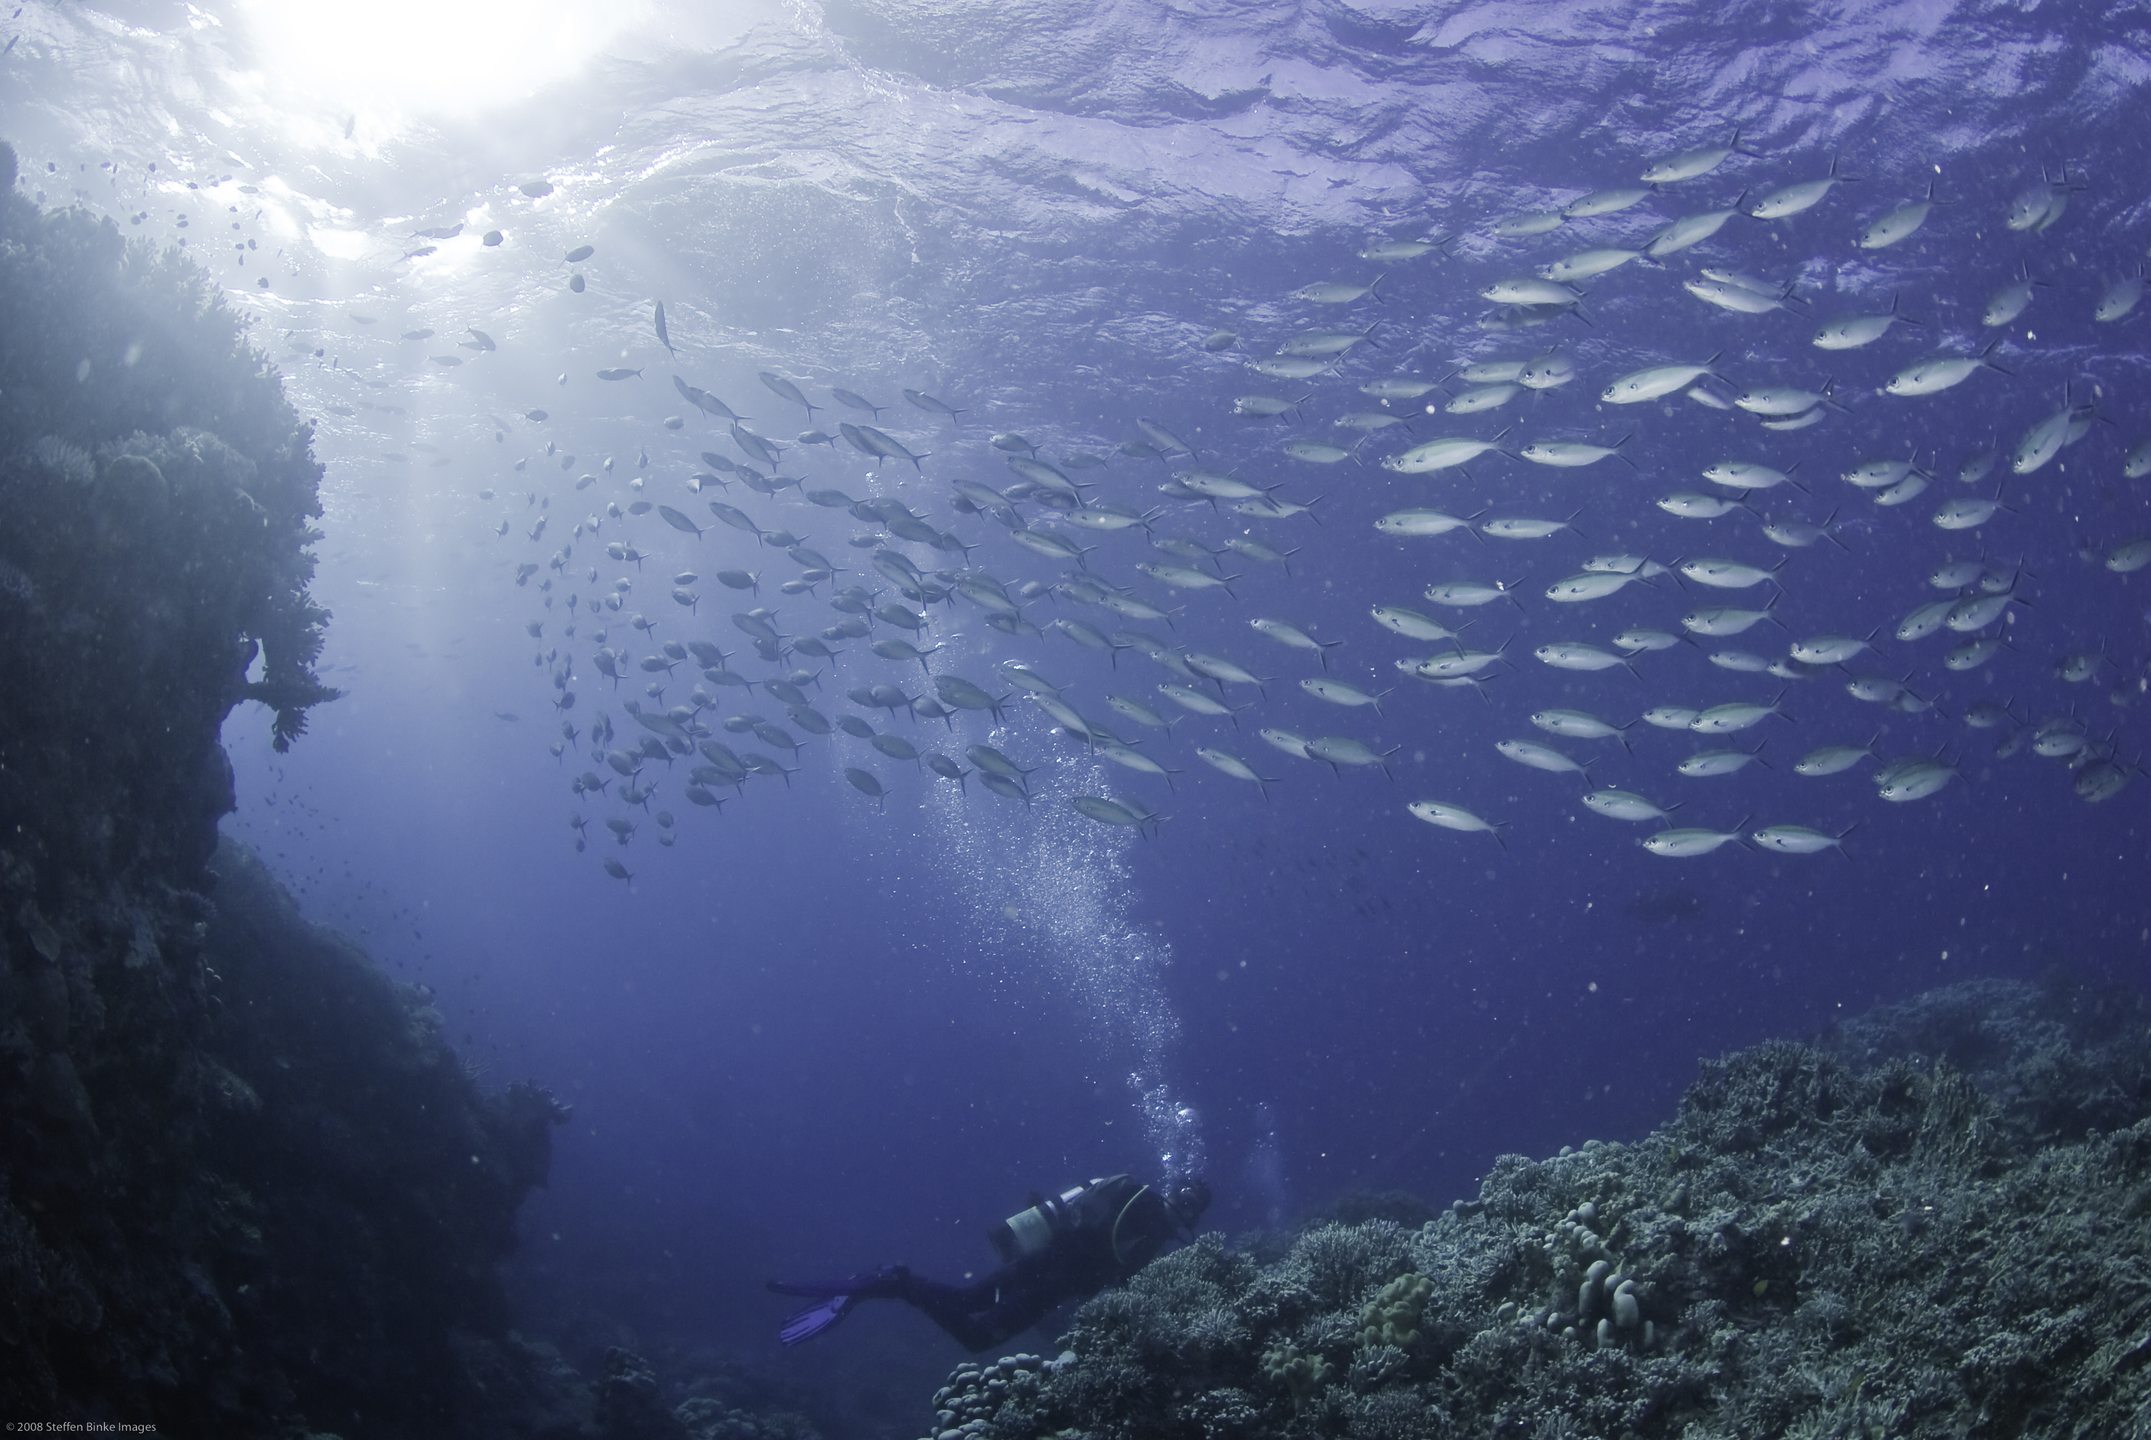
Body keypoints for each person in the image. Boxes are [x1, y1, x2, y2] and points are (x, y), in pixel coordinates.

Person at [768, 1173, 1211, 1351]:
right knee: (980, 1336)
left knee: (966, 1299)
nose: (1185, 1212)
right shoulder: (1154, 1222)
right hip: (1058, 1278)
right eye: (1190, 1205)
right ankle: (897, 1282)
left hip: (1043, 1257)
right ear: (1189, 1209)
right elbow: (1125, 1276)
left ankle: (888, 1281)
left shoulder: (1137, 1197)